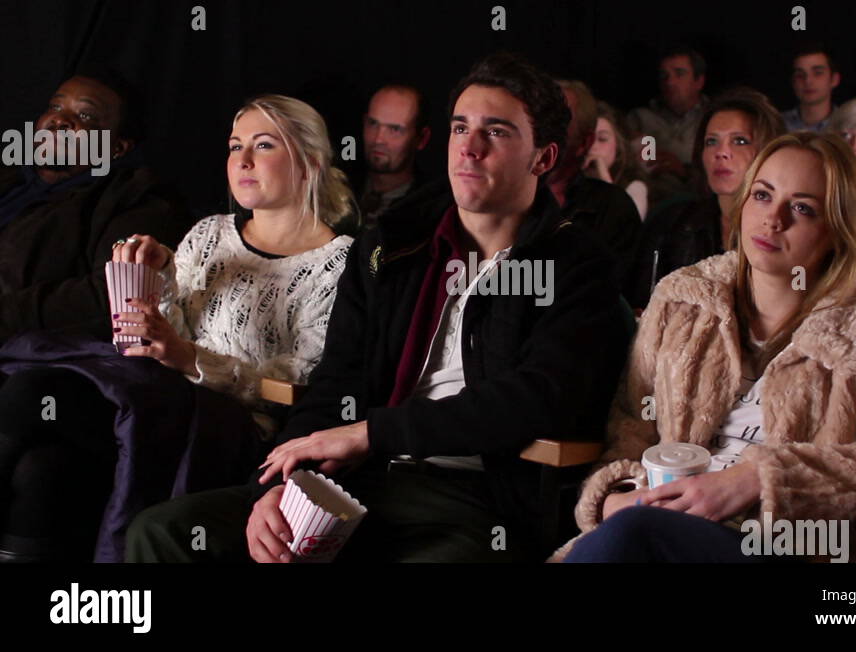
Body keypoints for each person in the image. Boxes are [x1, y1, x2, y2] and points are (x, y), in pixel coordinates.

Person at [124, 52, 630, 564]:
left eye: (495, 133)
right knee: (162, 533)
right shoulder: (392, 246)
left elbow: (537, 398)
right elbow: (335, 383)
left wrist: (371, 434)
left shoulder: (575, 265)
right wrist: (279, 489)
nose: (470, 149)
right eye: (460, 128)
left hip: (473, 497)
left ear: (542, 158)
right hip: (352, 484)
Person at [556, 132, 856, 563]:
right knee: (631, 534)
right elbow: (632, 428)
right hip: (656, 529)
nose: (773, 219)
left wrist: (758, 480)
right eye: (762, 195)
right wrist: (617, 497)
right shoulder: (682, 298)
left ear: (839, 230)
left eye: (802, 208)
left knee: (633, 537)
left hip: (783, 546)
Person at [0, 94, 357, 562]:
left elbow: (297, 393)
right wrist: (155, 280)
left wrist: (189, 358)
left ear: (309, 162)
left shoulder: (341, 263)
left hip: (232, 429)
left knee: (31, 393)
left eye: (264, 146)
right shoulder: (210, 233)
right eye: (234, 146)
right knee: (42, 470)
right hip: (151, 399)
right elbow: (158, 339)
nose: (243, 160)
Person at [0, 70, 191, 345]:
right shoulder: (10, 178)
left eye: (85, 116)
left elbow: (110, 293)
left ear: (117, 147)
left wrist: (8, 315)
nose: (59, 120)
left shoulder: (136, 199)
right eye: (55, 106)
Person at [627, 87, 785, 308]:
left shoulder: (789, 229)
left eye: (739, 141)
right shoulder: (669, 223)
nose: (721, 152)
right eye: (711, 142)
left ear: (769, 151)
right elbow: (639, 306)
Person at [548, 80, 642, 289]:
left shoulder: (614, 206)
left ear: (584, 143)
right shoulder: (504, 195)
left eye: (559, 118)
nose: (543, 125)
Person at [625, 46, 708, 183]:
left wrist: (684, 170)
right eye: (664, 75)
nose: (669, 82)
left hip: (700, 196)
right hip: (653, 195)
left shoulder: (715, 118)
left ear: (698, 81)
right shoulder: (640, 118)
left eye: (679, 74)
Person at [355, 85, 431, 229]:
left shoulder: (431, 208)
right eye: (373, 124)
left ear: (421, 138)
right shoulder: (339, 186)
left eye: (395, 129)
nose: (378, 139)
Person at [584, 101, 653, 220]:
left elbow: (624, 228)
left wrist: (604, 182)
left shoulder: (634, 186)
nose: (592, 146)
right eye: (587, 138)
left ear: (618, 147)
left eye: (602, 139)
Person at [782, 44, 840, 132]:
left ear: (834, 79)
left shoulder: (848, 125)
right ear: (793, 81)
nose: (808, 81)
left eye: (818, 73)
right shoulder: (776, 125)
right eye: (800, 75)